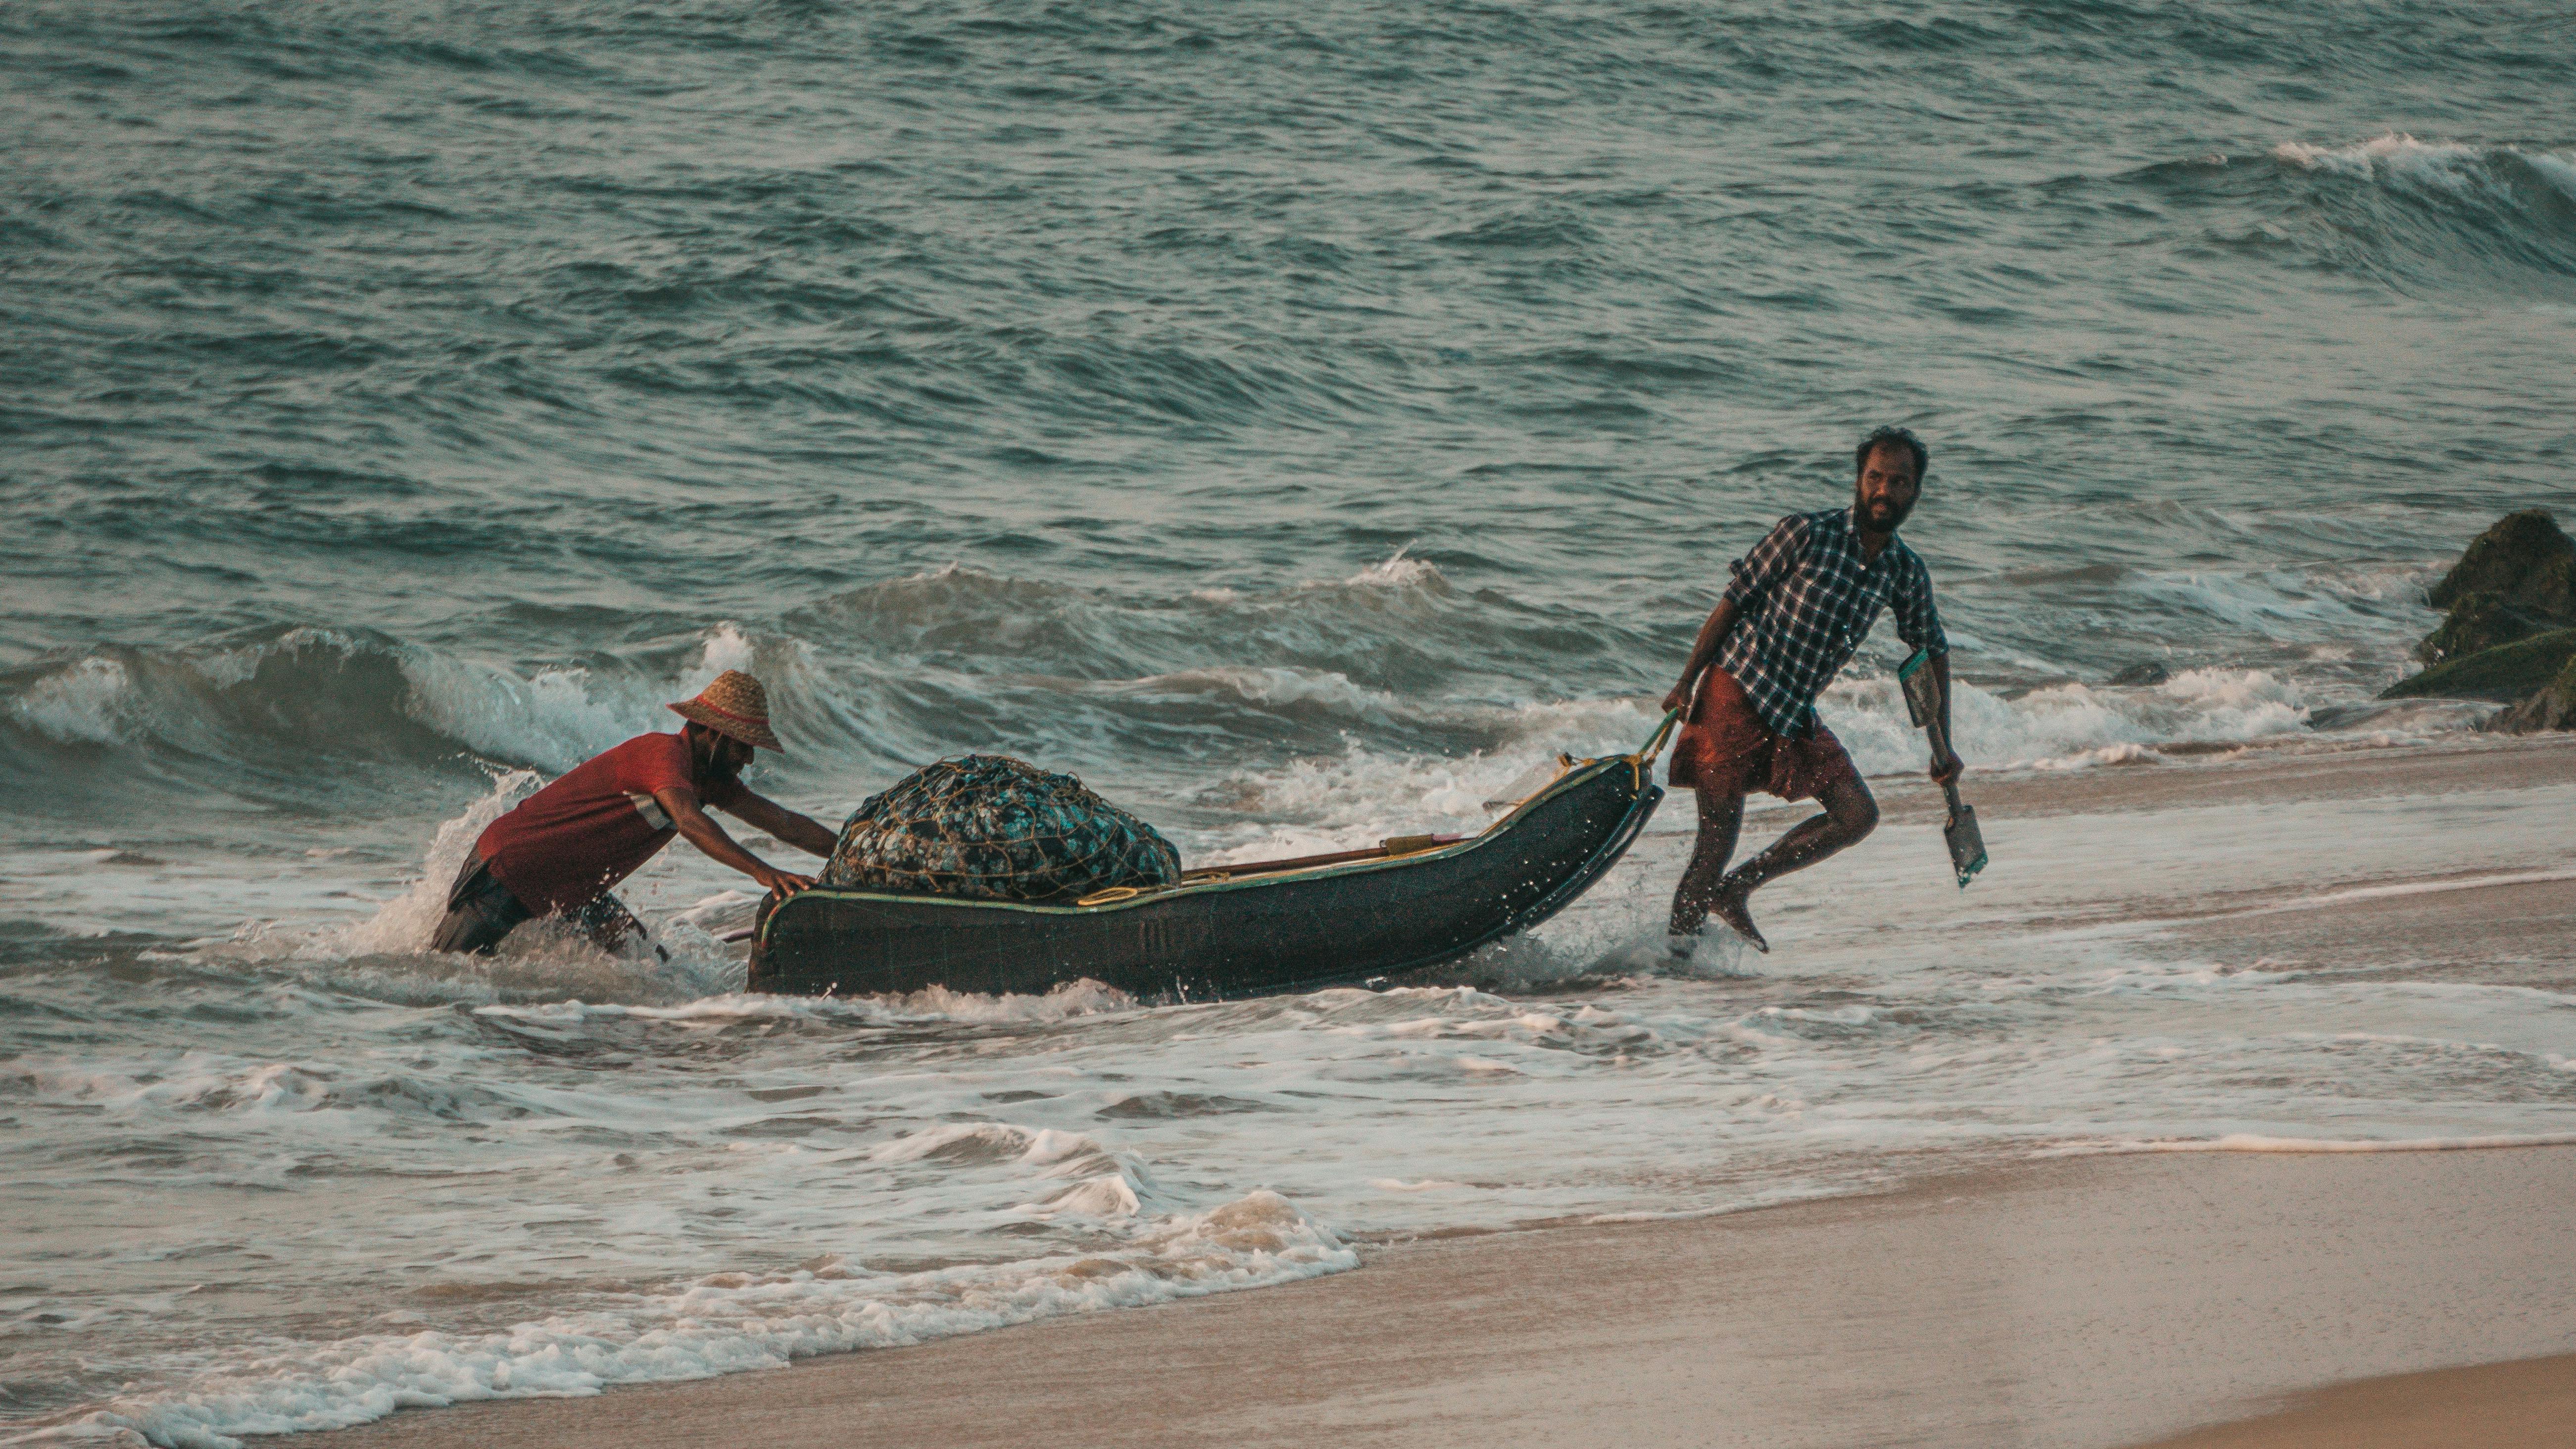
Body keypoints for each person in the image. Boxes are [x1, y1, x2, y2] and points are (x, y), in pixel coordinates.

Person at [1661, 427, 1961, 955]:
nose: (1884, 492)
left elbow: (1928, 655)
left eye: (1898, 482)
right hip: (1738, 687)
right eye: (1874, 478)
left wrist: (1944, 747)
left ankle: (1737, 890)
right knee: (1715, 843)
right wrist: (1688, 680)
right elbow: (1734, 601)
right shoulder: (1804, 533)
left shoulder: (1905, 571)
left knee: (1856, 815)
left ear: (1916, 491)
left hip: (1793, 709)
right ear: (1857, 480)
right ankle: (1676, 965)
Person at [430, 669, 836, 956]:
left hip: (573, 887)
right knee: (447, 981)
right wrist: (765, 874)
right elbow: (691, 822)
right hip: (511, 869)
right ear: (713, 734)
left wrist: (850, 851)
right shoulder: (661, 754)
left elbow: (785, 824)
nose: (747, 759)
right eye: (742, 746)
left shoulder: (710, 779)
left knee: (648, 964)